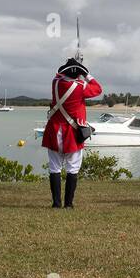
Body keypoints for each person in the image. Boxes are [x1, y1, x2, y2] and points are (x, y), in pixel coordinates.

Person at [42, 56, 102, 208]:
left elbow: (59, 74)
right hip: (72, 134)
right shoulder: (81, 86)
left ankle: (56, 203)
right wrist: (85, 73)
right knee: (72, 168)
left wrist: (74, 66)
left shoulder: (55, 82)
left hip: (54, 131)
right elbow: (98, 88)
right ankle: (68, 204)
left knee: (54, 168)